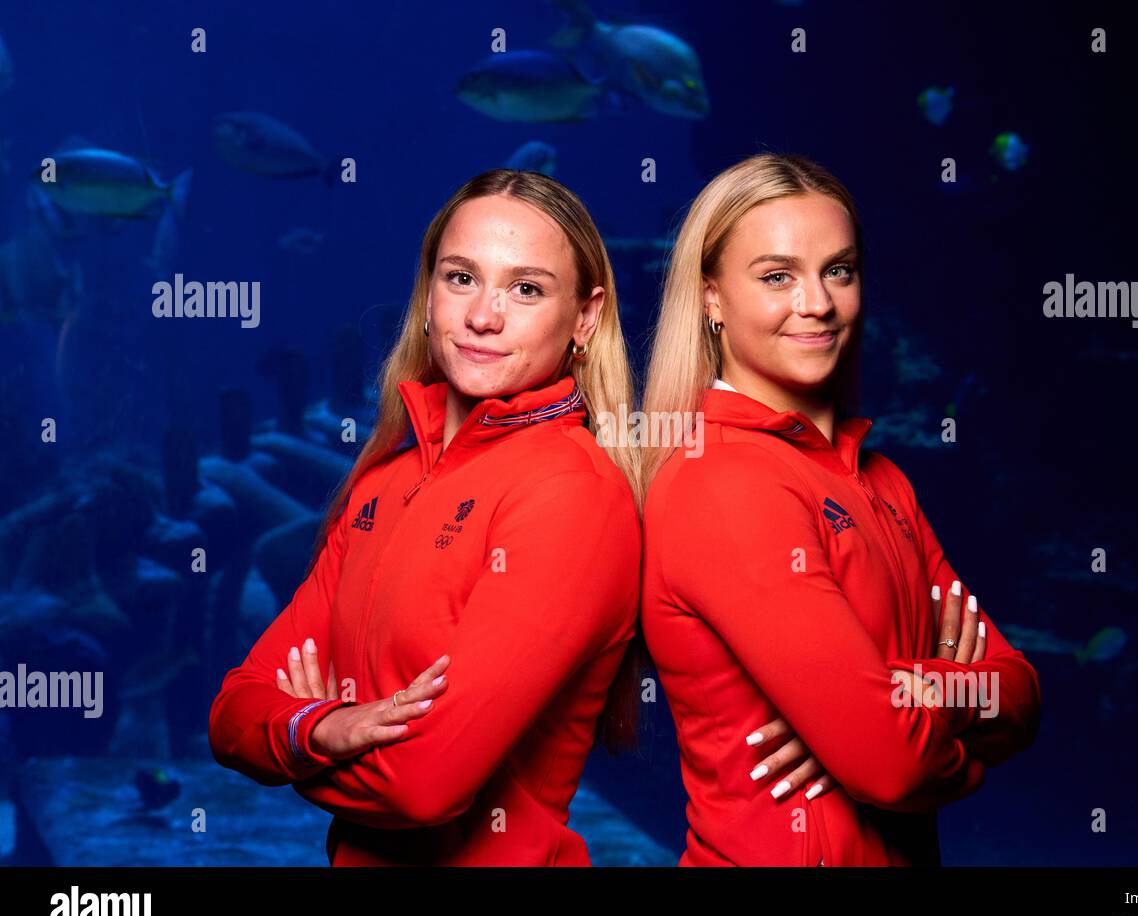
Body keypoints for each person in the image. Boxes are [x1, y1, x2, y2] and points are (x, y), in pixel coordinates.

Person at [209, 169, 643, 865]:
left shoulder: (572, 495)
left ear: (586, 317)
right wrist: (325, 728)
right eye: (461, 278)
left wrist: (297, 739)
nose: (483, 316)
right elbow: (232, 713)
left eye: (526, 289)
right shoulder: (385, 477)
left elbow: (422, 786)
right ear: (429, 292)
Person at [638, 152, 1042, 866]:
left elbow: (1021, 694)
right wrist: (935, 727)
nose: (817, 303)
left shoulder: (880, 480)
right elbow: (891, 766)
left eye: (839, 270)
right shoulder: (723, 482)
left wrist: (905, 692)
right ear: (710, 298)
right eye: (776, 276)